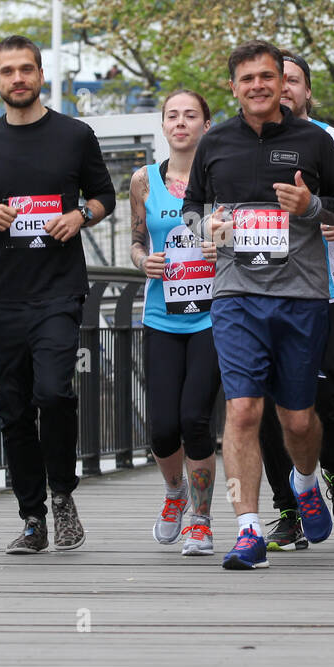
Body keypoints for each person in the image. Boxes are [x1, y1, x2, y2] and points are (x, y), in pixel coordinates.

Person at [183, 39, 334, 570]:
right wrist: (205, 226)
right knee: (241, 410)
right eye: (248, 79)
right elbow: (193, 207)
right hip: (236, 293)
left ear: (282, 84)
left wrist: (312, 205)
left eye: (268, 77)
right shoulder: (214, 143)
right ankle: (248, 530)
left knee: (299, 420)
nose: (259, 86)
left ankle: (306, 483)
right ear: (233, 87)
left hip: (301, 295)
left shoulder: (315, 140)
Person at [0, 35, 116, 554]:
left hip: (59, 291)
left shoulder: (75, 135)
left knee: (54, 392)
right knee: (15, 409)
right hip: (3, 297)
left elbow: (104, 196)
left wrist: (80, 215)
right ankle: (32, 518)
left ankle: (63, 493)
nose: (18, 78)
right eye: (8, 71)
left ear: (41, 75)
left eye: (27, 69)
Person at [258, 51, 334, 551]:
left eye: (292, 80)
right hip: (255, 291)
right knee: (262, 407)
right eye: (273, 79)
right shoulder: (244, 139)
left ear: (307, 91)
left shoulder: (332, 140)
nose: (282, 87)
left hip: (320, 291)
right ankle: (288, 510)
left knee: (326, 400)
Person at [129, 90, 222, 556]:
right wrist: (143, 260)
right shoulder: (143, 181)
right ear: (163, 125)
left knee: (195, 420)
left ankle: (201, 519)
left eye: (191, 115)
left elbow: (239, 238)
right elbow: (136, 240)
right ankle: (174, 494)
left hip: (211, 317)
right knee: (163, 427)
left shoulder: (221, 179)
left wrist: (219, 248)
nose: (181, 123)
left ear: (206, 124)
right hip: (162, 316)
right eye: (173, 116)